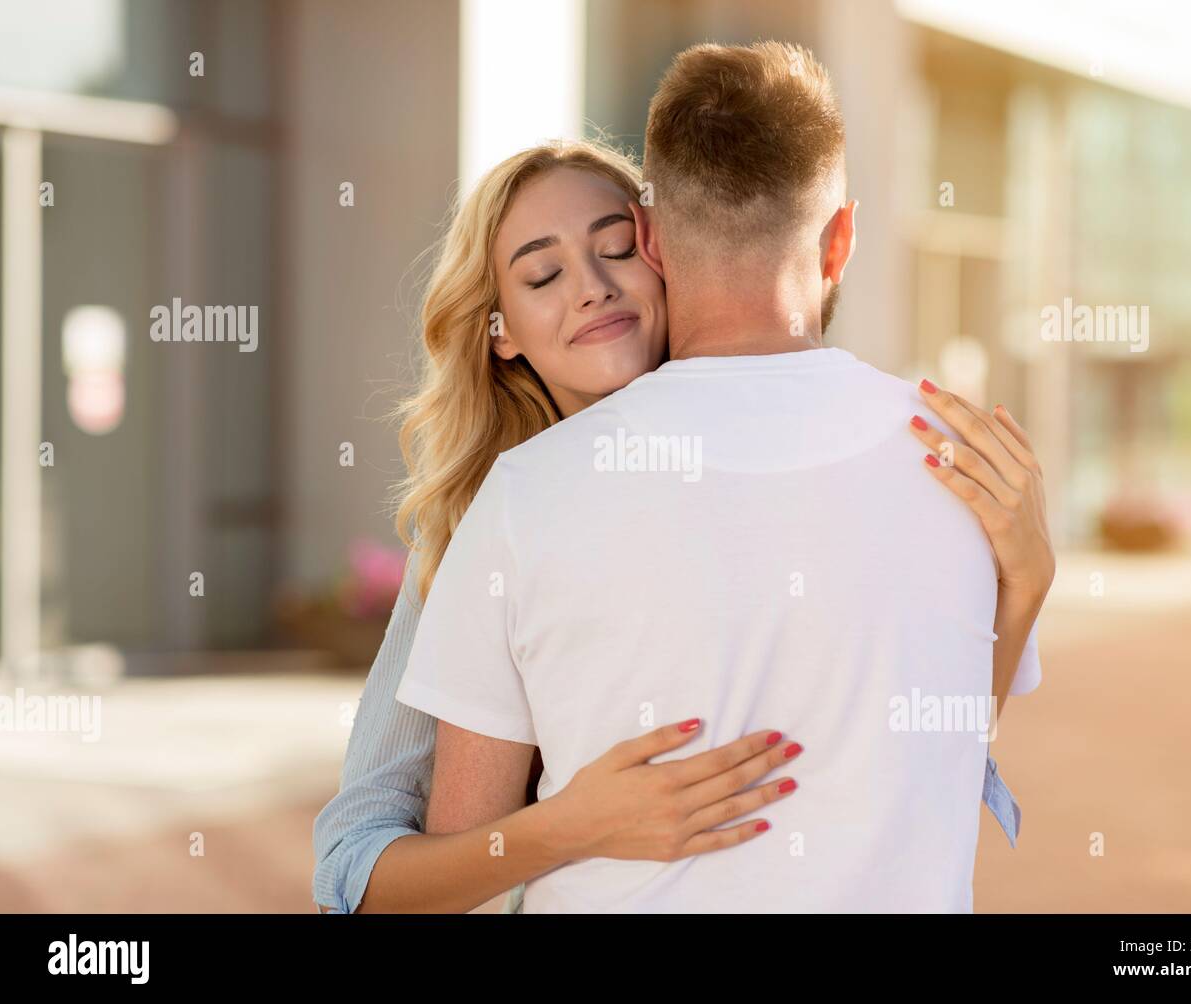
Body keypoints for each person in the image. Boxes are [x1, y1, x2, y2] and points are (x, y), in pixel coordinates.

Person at [391, 41, 1052, 913]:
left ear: (654, 240)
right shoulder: (967, 469)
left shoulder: (523, 497)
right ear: (841, 240)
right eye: (544, 275)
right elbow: (939, 756)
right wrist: (1028, 582)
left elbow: (448, 882)